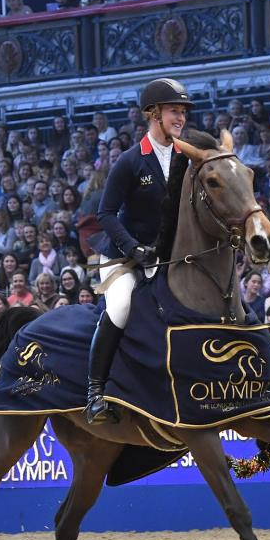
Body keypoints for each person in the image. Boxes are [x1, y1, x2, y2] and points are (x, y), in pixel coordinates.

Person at [86, 77, 192, 423]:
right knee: (121, 304)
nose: (181, 118)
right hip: (123, 255)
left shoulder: (185, 157)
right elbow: (104, 213)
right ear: (153, 114)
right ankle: (96, 392)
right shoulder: (131, 161)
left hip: (166, 255)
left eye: (182, 112)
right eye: (174, 111)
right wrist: (133, 246)